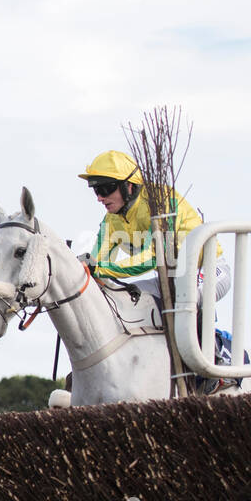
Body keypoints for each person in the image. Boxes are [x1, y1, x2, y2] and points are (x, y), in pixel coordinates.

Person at [78, 149, 236, 387]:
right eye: (95, 190)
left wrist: (101, 269)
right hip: (170, 279)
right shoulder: (112, 219)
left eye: (105, 189)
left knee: (186, 294)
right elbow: (99, 261)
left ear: (129, 186)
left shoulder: (160, 200)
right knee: (122, 296)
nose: (99, 197)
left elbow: (155, 257)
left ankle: (216, 357)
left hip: (210, 270)